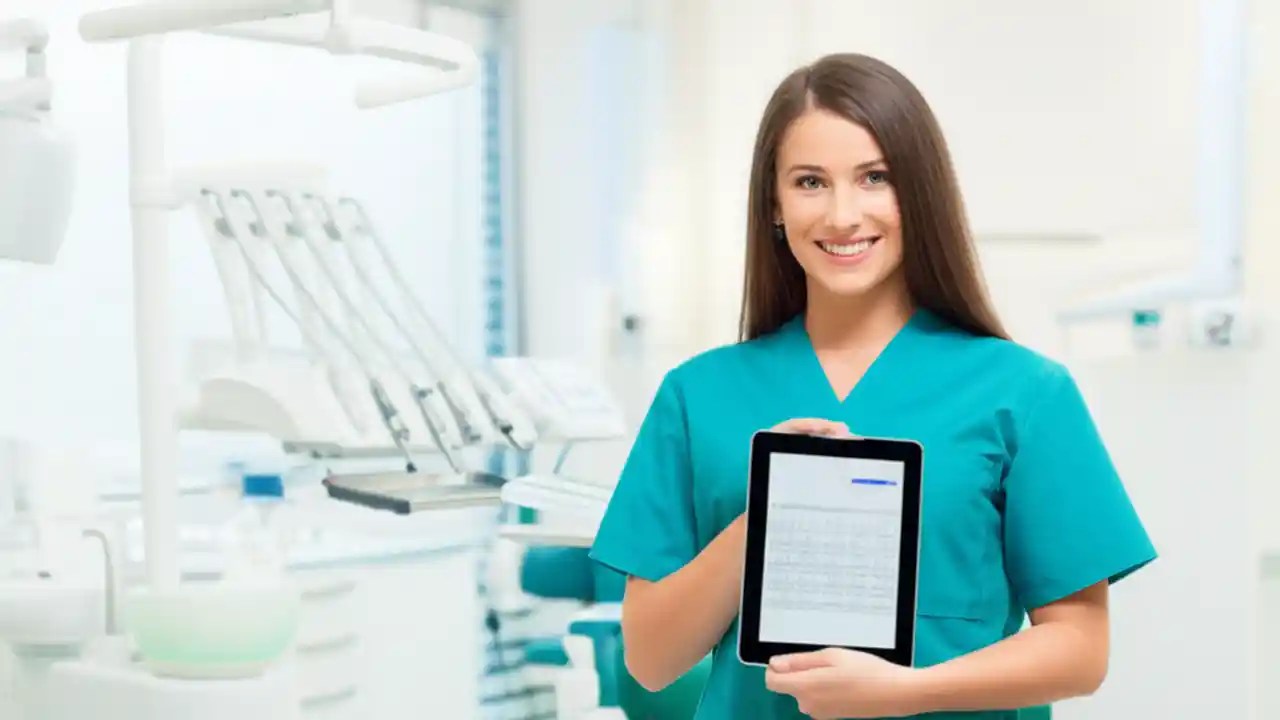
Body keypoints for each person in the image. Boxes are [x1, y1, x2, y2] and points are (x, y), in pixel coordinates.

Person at [588, 52, 1156, 720]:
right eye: (809, 182)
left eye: (874, 178)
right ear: (773, 203)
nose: (841, 214)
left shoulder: (1024, 393)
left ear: (917, 193)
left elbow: (1080, 650)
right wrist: (770, 512)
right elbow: (651, 661)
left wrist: (904, 691)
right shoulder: (697, 395)